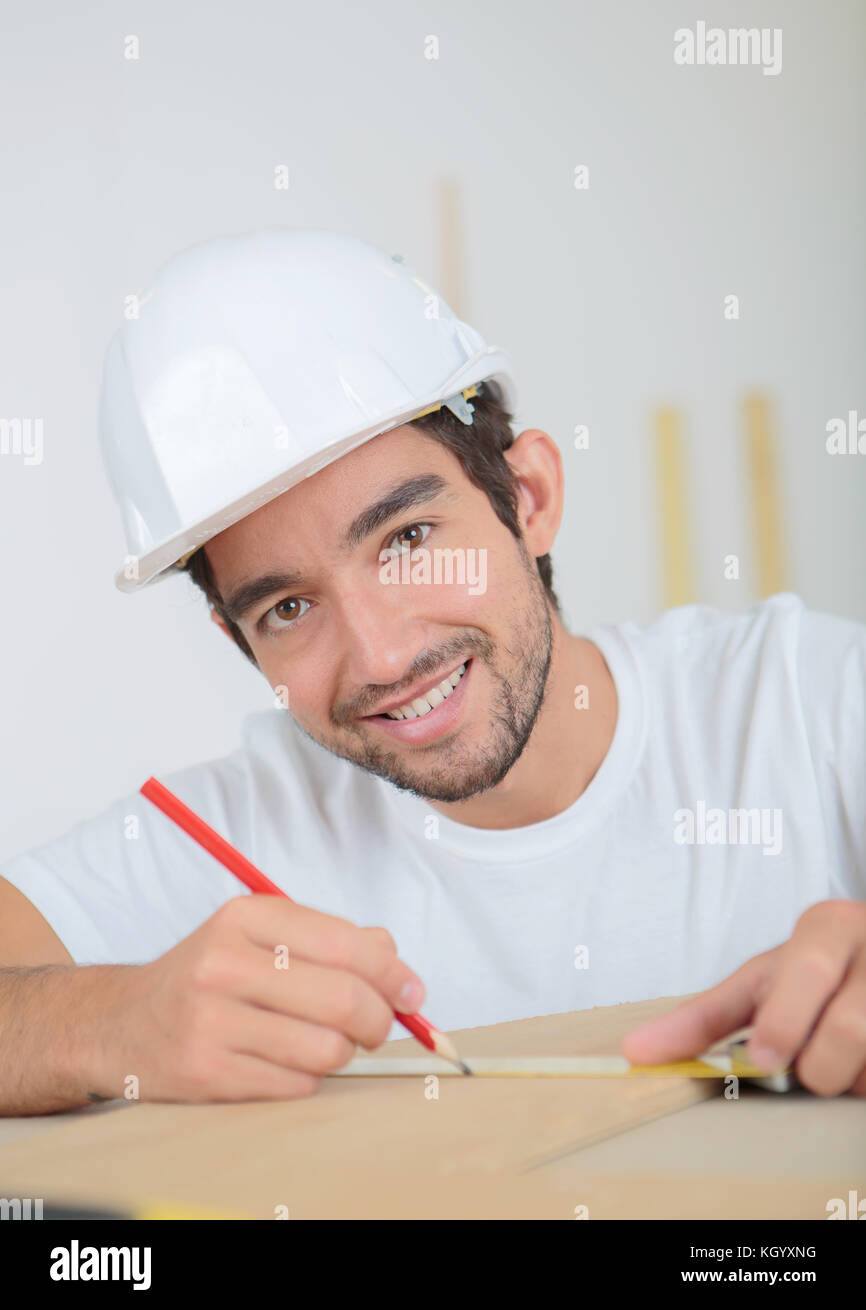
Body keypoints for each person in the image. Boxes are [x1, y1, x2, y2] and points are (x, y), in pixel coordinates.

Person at [1, 230, 864, 1115]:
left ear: (528, 499)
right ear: (240, 645)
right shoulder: (227, 829)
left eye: (407, 541)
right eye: (288, 609)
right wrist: (106, 1024)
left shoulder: (809, 704)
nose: (379, 657)